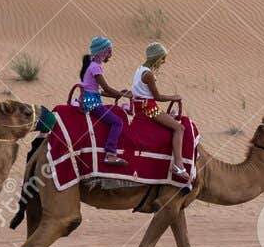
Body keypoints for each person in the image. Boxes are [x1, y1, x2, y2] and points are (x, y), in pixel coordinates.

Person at [130, 41, 194, 192]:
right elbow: (157, 97)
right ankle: (178, 164)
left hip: (144, 106)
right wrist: (174, 97)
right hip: (149, 109)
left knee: (172, 118)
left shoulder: (140, 69)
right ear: (156, 58)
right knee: (179, 128)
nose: (164, 61)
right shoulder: (148, 74)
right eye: (162, 58)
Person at [79, 35, 128, 167]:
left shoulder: (91, 66)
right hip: (91, 103)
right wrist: (123, 95)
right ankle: (110, 154)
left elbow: (98, 90)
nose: (110, 55)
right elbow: (106, 88)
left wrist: (119, 94)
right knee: (117, 122)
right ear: (101, 52)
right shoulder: (95, 67)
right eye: (108, 51)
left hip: (89, 98)